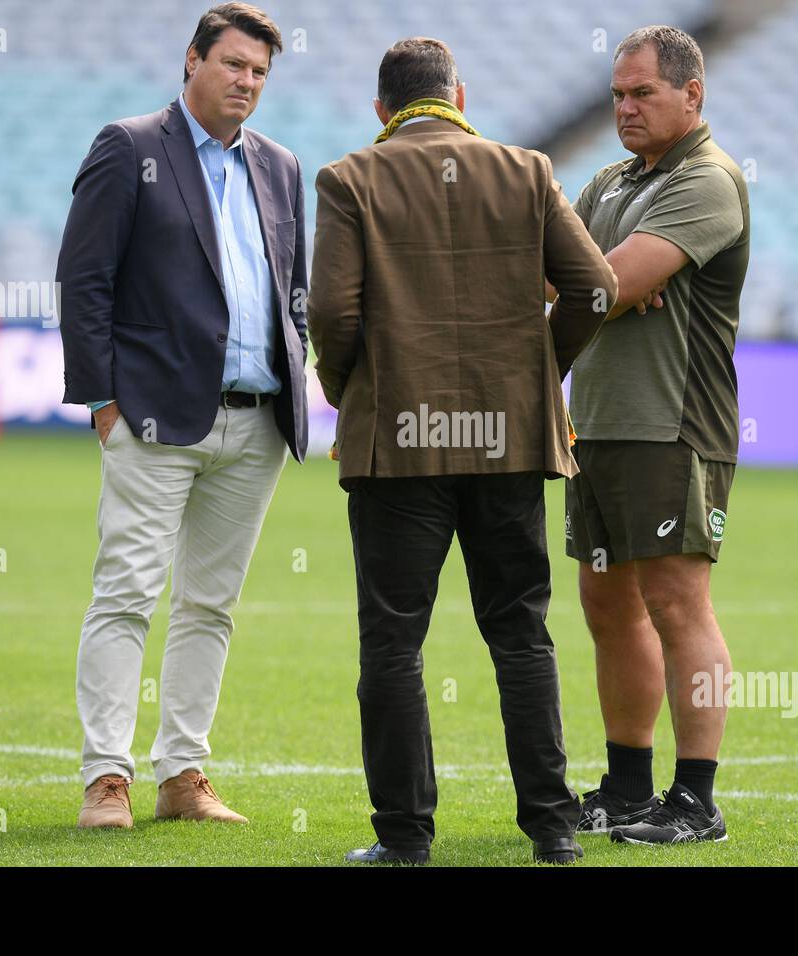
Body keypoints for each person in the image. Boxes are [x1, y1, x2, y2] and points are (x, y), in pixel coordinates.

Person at [308, 37, 617, 864]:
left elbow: (333, 314)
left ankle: (405, 840)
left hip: (397, 446)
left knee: (393, 643)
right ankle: (553, 829)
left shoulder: (349, 180)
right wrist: (535, 373)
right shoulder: (525, 171)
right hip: (507, 442)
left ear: (383, 109)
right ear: (460, 97)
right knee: (521, 635)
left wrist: (349, 391)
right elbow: (597, 287)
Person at [56, 2, 308, 828]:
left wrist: (300, 374)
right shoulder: (129, 148)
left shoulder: (281, 164)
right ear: (192, 60)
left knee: (211, 605)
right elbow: (83, 279)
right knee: (126, 592)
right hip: (154, 418)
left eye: (260, 72)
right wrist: (102, 400)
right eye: (233, 64)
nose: (247, 83)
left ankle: (183, 774)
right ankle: (106, 779)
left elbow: (291, 289)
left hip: (258, 421)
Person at [561, 25, 750, 845]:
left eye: (642, 93)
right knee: (606, 602)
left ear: (692, 94)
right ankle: (629, 787)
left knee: (677, 601)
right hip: (597, 424)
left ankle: (696, 798)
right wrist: (603, 282)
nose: (625, 108)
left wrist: (608, 281)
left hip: (673, 426)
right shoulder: (610, 179)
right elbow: (565, 275)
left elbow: (608, 281)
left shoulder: (708, 180)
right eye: (617, 94)